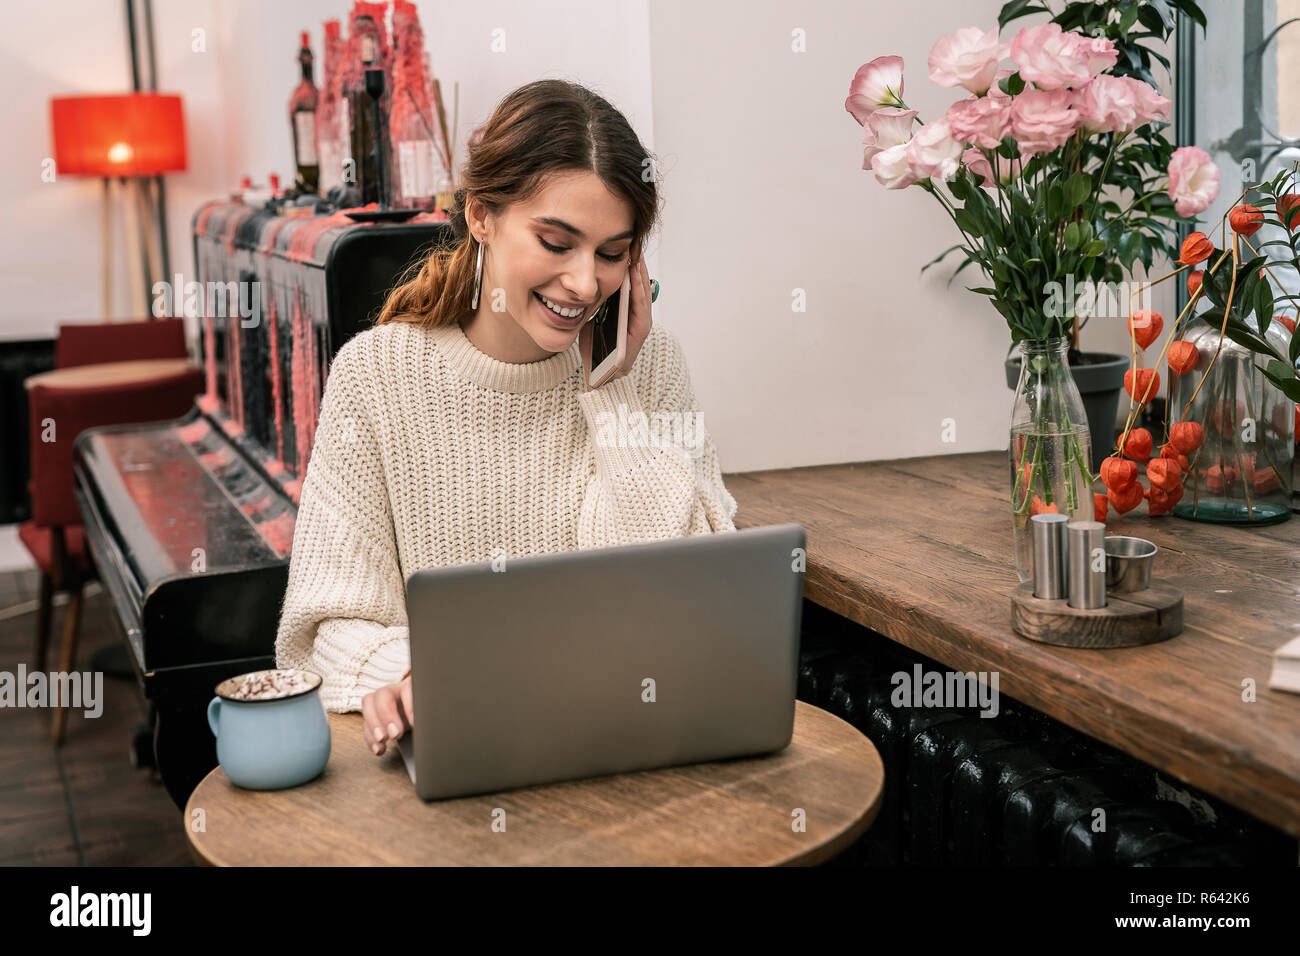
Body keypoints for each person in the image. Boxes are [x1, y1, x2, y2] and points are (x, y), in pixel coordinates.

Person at [274, 79, 738, 757]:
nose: (585, 284)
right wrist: (410, 673)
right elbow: (322, 627)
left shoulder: (650, 365)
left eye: (613, 253)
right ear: (482, 215)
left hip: (632, 750)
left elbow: (684, 595)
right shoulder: (376, 376)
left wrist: (611, 390)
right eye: (556, 242)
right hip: (462, 757)